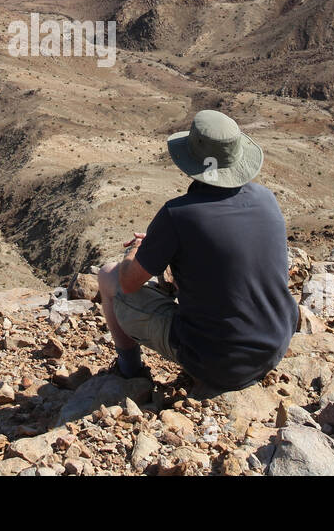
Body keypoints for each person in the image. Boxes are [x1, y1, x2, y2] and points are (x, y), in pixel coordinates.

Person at [97, 110, 300, 393]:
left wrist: (136, 248)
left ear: (191, 160)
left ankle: (129, 370)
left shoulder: (178, 214)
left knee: (108, 276)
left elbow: (128, 282)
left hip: (218, 363)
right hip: (274, 346)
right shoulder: (267, 199)